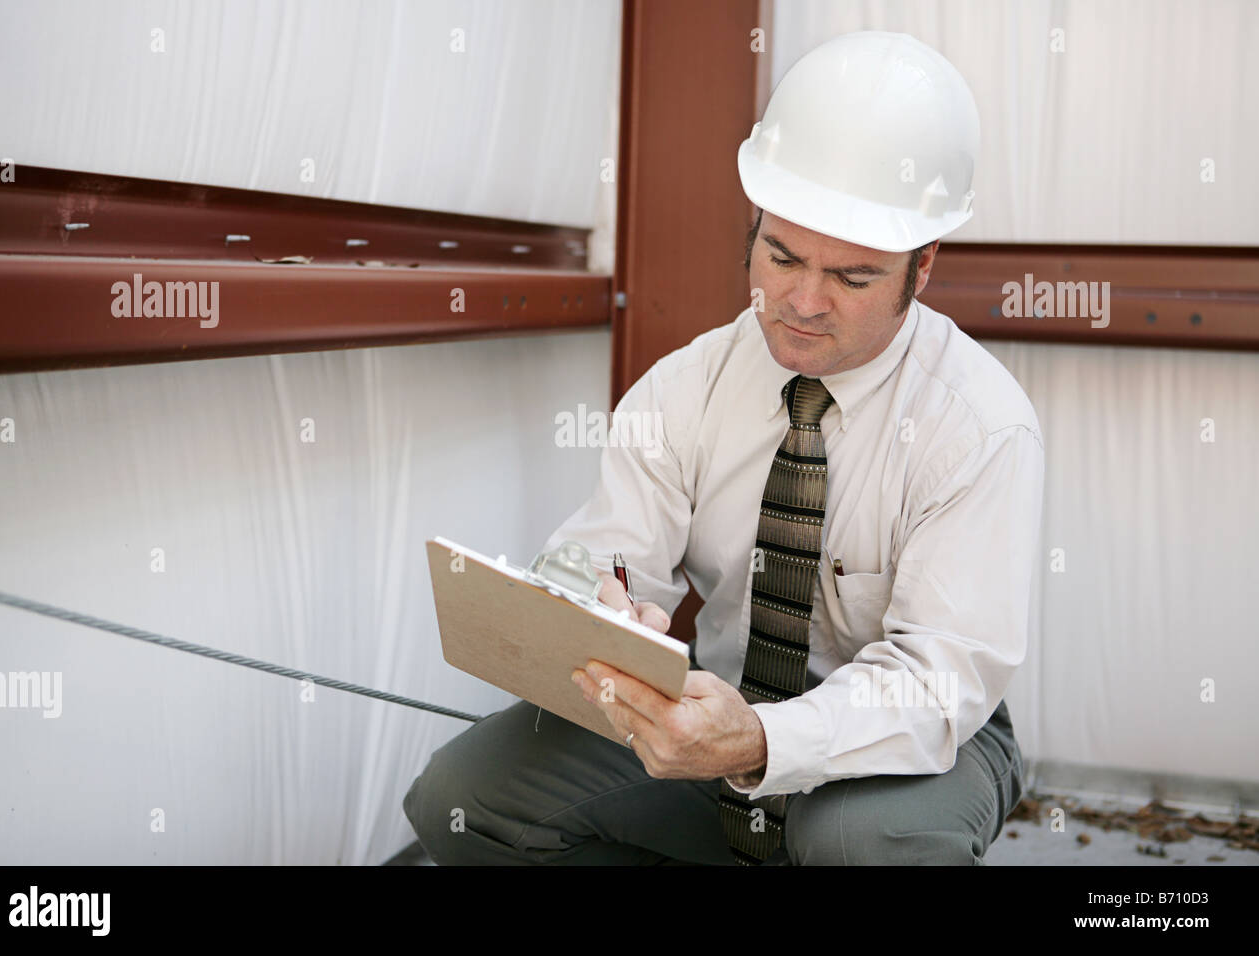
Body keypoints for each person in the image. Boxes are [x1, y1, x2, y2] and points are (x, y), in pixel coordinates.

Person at [404, 31, 1044, 865]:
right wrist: (603, 604)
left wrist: (762, 741)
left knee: (857, 841)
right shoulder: (685, 388)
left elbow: (936, 684)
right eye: (781, 255)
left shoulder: (982, 428)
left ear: (922, 268)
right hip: (711, 708)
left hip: (915, 738)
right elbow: (611, 555)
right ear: (755, 227)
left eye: (852, 278)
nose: (803, 301)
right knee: (463, 796)